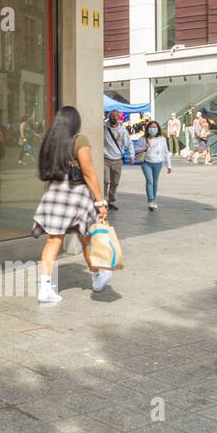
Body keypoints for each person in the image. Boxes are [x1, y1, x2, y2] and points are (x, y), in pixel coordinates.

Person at [32, 105, 112, 304]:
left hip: (53, 194)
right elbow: (89, 173)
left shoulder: (51, 142)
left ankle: (45, 288)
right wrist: (100, 201)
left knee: (53, 240)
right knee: (86, 237)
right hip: (75, 195)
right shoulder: (79, 140)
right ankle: (96, 277)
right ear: (75, 122)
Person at [102, 110, 134, 211]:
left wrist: (132, 155)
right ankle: (103, 200)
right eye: (111, 116)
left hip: (118, 160)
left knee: (115, 182)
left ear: (118, 118)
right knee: (105, 181)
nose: (113, 118)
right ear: (108, 117)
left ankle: (111, 201)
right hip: (105, 159)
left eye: (115, 116)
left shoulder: (123, 130)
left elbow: (129, 143)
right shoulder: (104, 128)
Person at [139, 119, 171, 211]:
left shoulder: (162, 139)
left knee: (155, 182)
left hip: (158, 163)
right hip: (146, 162)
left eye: (154, 127)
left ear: (158, 129)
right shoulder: (142, 138)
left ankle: (153, 201)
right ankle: (150, 201)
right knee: (150, 181)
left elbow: (166, 152)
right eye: (151, 127)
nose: (152, 129)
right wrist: (144, 147)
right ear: (147, 128)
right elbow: (137, 150)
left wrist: (168, 165)